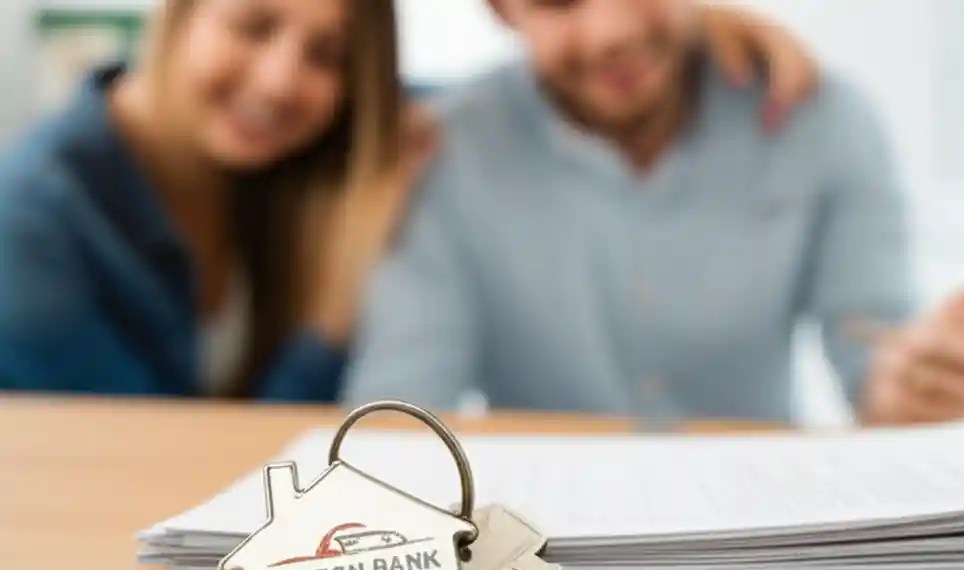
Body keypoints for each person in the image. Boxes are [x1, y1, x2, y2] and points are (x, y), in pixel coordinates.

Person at [0, 0, 814, 402]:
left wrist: (680, 35)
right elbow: (173, 486)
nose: (280, 82)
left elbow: (497, 112)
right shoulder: (32, 219)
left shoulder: (293, 151)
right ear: (178, 16)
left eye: (328, 55)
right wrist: (331, 319)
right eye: (252, 26)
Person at [346, 0, 964, 425]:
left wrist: (911, 384)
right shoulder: (441, 151)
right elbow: (401, 411)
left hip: (765, 546)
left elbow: (873, 364)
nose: (610, 31)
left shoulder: (821, 117)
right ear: (500, 11)